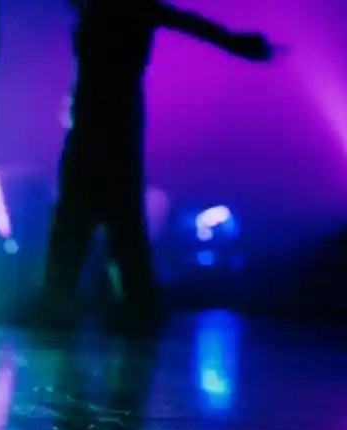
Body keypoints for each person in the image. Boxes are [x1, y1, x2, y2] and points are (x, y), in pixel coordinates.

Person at [40, 0, 274, 331]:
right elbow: (188, 22)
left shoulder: (112, 9)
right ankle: (128, 303)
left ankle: (67, 300)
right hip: (112, 123)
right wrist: (233, 41)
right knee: (117, 218)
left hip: (100, 124)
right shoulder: (133, 9)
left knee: (82, 216)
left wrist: (233, 41)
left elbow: (183, 21)